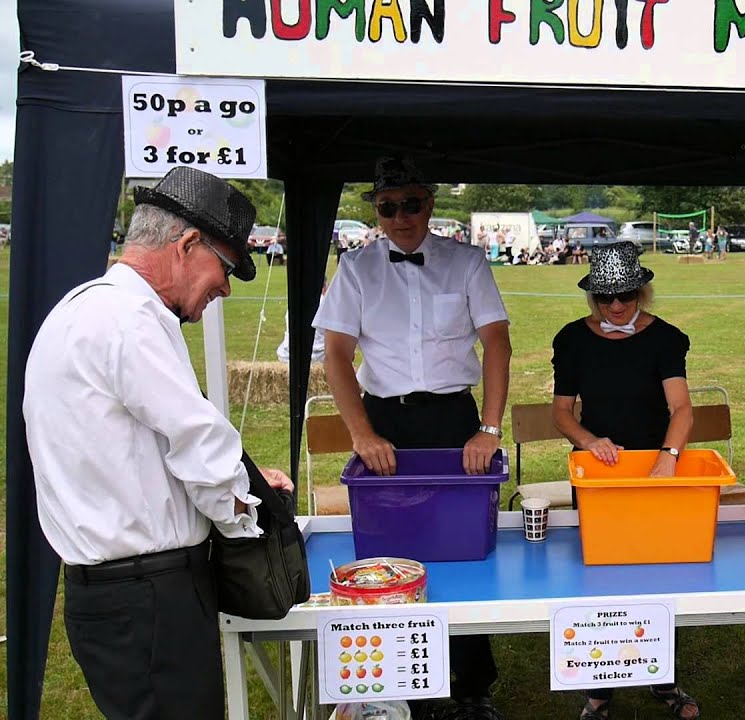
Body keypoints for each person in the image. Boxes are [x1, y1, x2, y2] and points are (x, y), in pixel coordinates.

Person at [23, 166, 295, 720]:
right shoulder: (130, 318)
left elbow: (137, 445)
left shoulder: (81, 308)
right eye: (224, 269)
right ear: (187, 244)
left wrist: (243, 478)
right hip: (149, 595)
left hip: (121, 592)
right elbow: (198, 442)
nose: (222, 288)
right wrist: (249, 515)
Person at [313, 155, 512, 720]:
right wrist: (361, 433)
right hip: (386, 420)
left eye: (413, 204)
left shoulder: (468, 261)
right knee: (389, 547)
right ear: (375, 210)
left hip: (455, 418)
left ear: (430, 202)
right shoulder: (355, 269)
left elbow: (496, 344)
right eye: (388, 207)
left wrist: (489, 429)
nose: (401, 217)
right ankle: (396, 681)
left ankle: (473, 684)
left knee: (464, 549)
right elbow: (335, 354)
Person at [550, 242, 700, 720]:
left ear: (643, 292)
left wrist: (668, 457)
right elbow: (561, 415)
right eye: (606, 298)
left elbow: (681, 408)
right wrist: (590, 441)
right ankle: (600, 686)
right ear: (592, 297)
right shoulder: (572, 339)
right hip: (600, 473)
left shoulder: (666, 339)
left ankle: (661, 675)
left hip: (656, 469)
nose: (617, 306)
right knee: (598, 574)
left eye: (628, 296)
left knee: (661, 572)